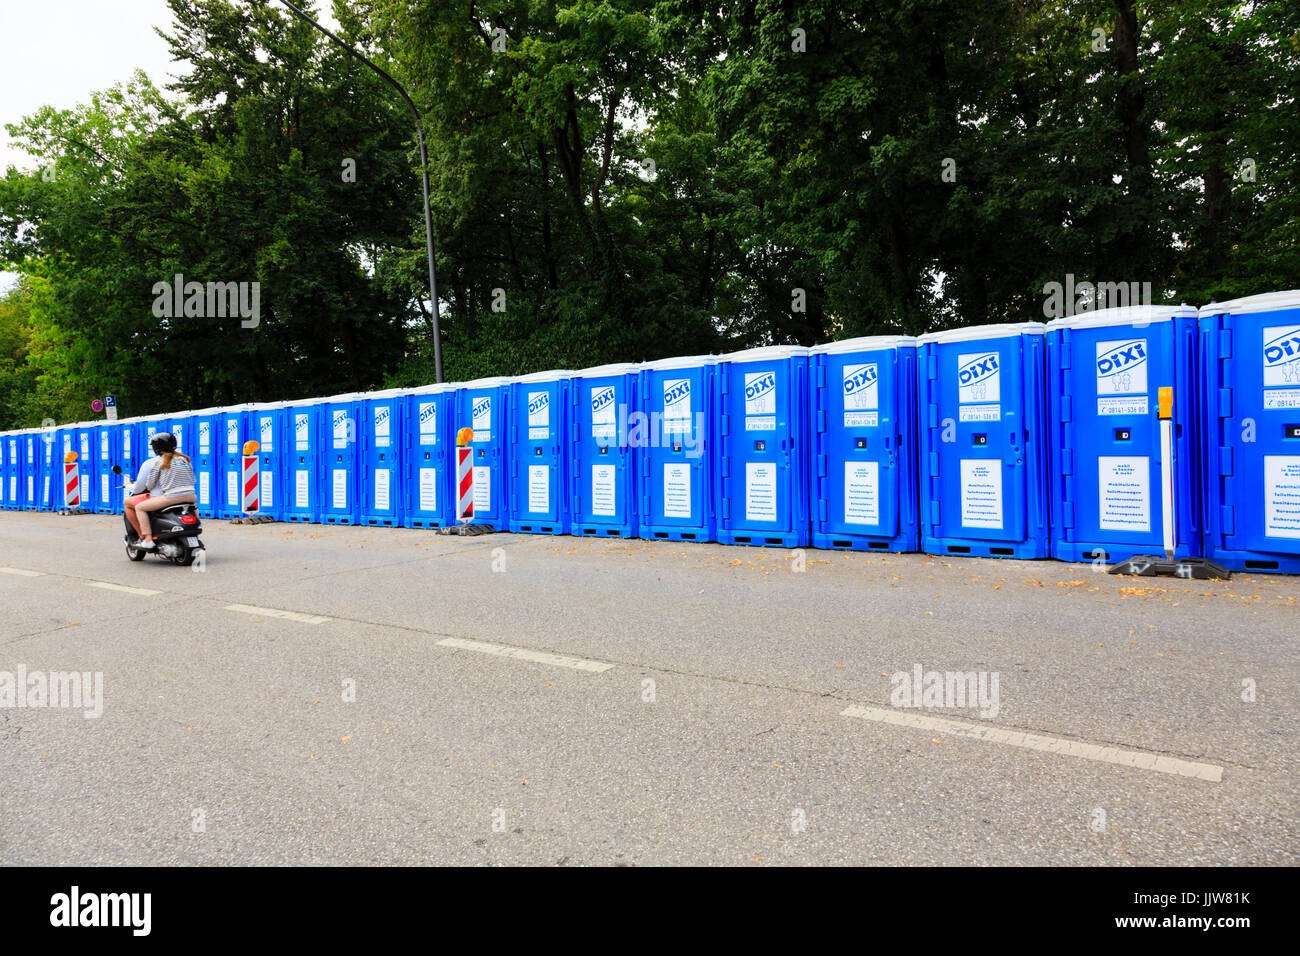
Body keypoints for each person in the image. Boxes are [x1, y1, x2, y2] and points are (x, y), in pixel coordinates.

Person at [124, 433, 197, 550]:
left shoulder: (158, 462)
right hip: (191, 496)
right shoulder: (184, 459)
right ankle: (196, 527)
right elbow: (193, 479)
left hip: (172, 497)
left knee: (140, 508)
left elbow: (148, 484)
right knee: (192, 507)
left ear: (156, 448)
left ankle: (147, 539)